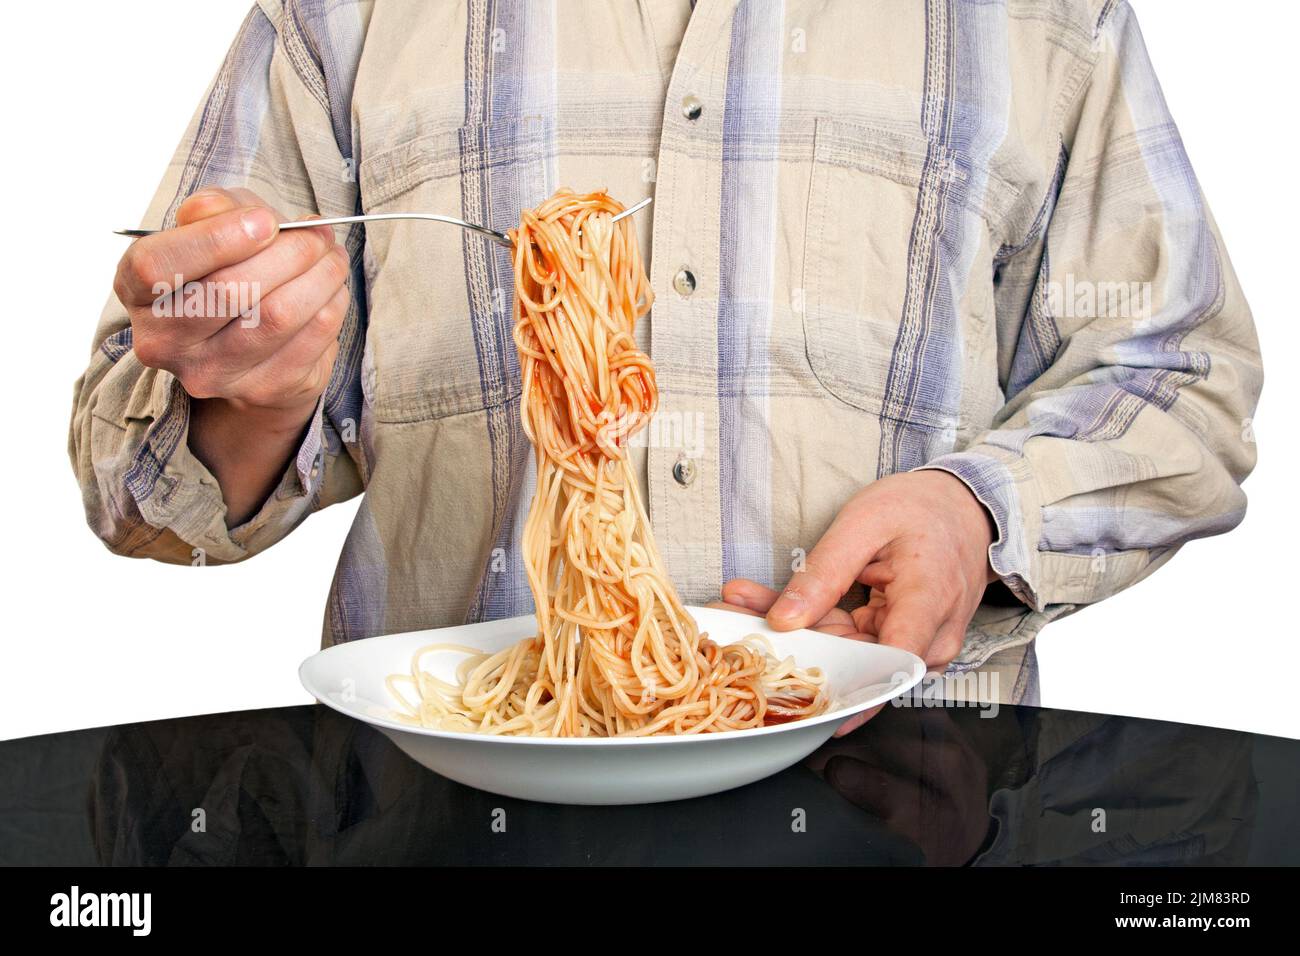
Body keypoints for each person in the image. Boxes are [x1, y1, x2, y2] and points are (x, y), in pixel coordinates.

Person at [69, 0, 1262, 714]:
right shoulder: (345, 12)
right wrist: (256, 385)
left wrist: (976, 513)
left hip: (912, 808)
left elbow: (1179, 373)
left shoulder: (1039, 18)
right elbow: (137, 490)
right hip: (449, 810)